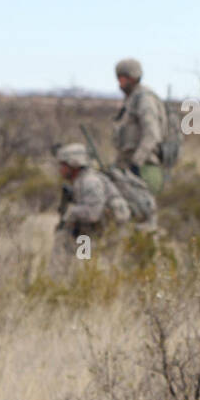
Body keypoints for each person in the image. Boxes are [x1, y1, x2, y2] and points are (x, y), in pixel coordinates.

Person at [51, 143, 131, 272]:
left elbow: (93, 214)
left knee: (99, 268)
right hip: (91, 233)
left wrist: (71, 213)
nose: (60, 169)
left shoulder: (90, 182)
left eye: (63, 165)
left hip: (107, 234)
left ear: (73, 164)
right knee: (83, 263)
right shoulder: (80, 180)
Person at [111, 59, 168, 195]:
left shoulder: (144, 100)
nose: (120, 83)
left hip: (144, 168)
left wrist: (136, 162)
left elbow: (152, 135)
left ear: (132, 77)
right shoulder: (131, 99)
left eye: (122, 78)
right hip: (130, 167)